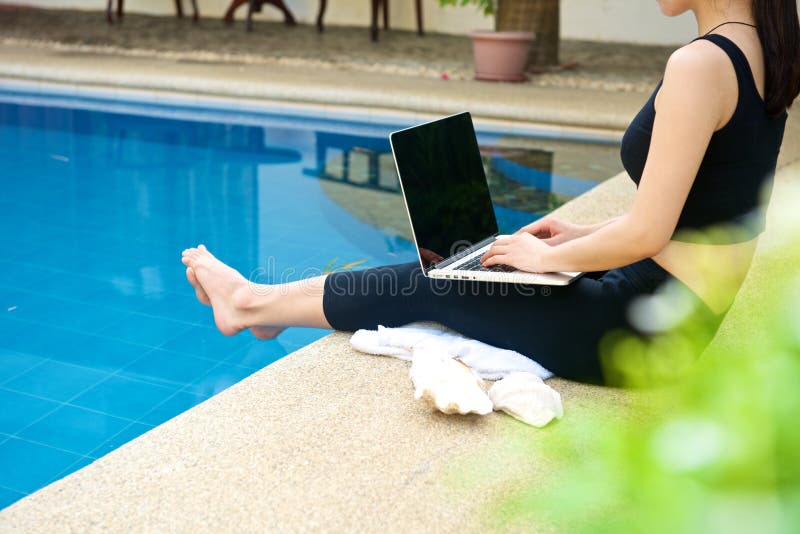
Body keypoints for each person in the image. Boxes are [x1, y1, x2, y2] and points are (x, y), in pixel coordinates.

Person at [182, 0, 800, 384]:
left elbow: (648, 232)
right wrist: (577, 235)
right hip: (677, 312)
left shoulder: (699, 64)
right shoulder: (762, 49)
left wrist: (547, 259)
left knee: (442, 280)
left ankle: (250, 307)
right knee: (459, 262)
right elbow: (717, 206)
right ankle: (263, 301)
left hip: (641, 330)